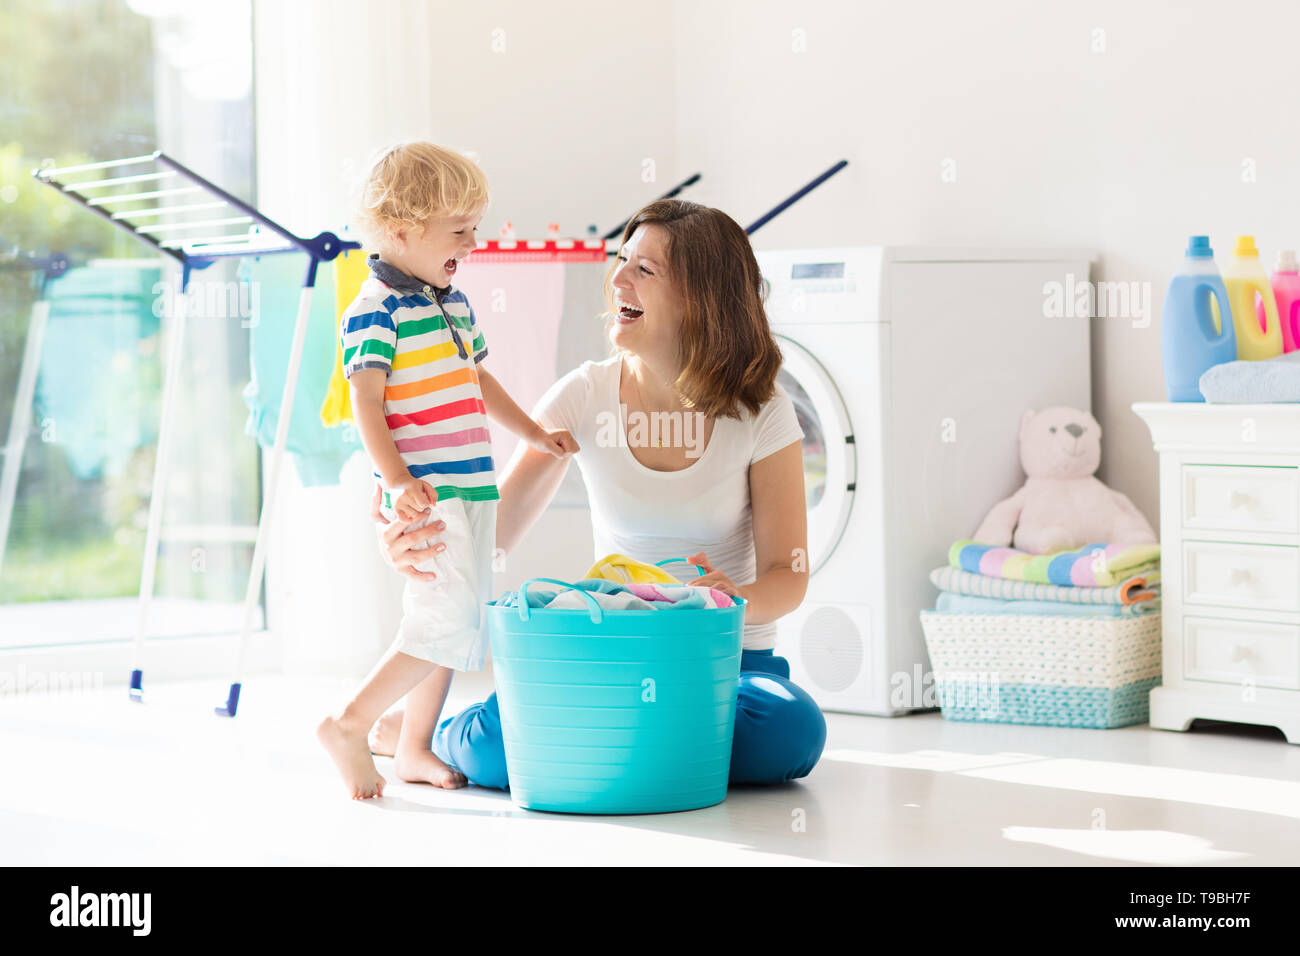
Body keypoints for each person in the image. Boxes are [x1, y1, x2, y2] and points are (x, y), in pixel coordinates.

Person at [369, 199, 827, 789]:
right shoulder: (584, 395)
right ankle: (434, 730)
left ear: (703, 299)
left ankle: (616, 748)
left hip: (725, 667)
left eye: (646, 270)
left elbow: (787, 577)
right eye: (622, 259)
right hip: (616, 656)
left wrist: (732, 597)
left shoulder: (763, 413)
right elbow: (493, 532)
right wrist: (411, 546)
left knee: (790, 731)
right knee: (491, 753)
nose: (617, 279)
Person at [316, 142, 578, 799]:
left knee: (459, 623)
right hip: (427, 493)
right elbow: (366, 405)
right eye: (459, 230)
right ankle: (351, 723)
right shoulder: (375, 309)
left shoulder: (451, 303)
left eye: (475, 227)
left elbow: (479, 379)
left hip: (472, 483)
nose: (472, 241)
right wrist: (397, 482)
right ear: (402, 230)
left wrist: (534, 435)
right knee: (444, 620)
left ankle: (412, 747)